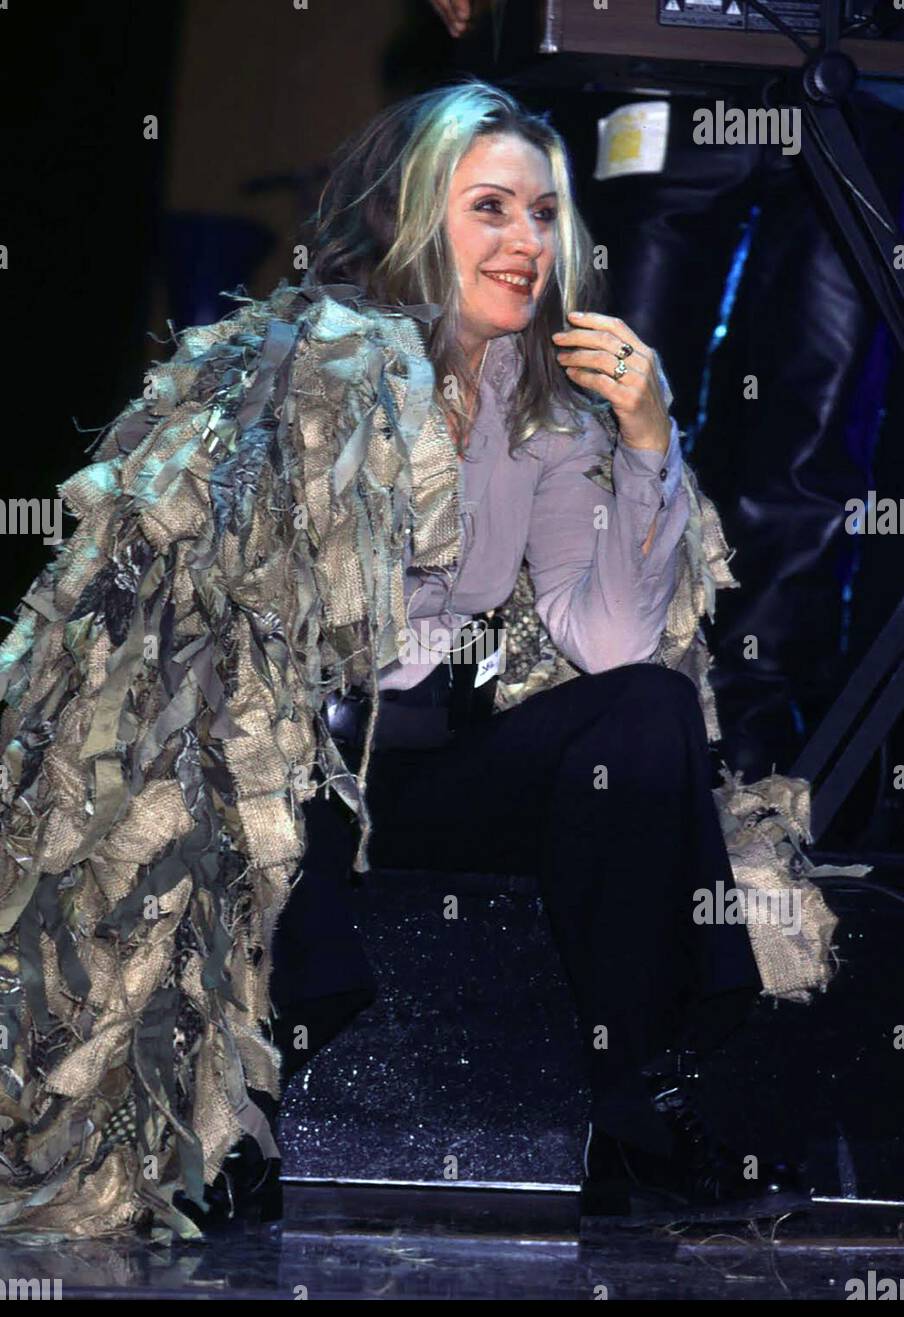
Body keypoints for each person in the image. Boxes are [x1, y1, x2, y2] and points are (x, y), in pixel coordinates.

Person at [0, 79, 832, 1243]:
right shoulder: (300, 367)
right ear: (411, 216)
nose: (526, 243)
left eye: (545, 215)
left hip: (429, 757)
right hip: (279, 759)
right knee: (255, 751)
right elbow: (220, 627)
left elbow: (608, 640)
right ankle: (216, 1118)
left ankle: (638, 1116)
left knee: (639, 712)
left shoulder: (544, 404)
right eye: (490, 207)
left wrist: (648, 444)